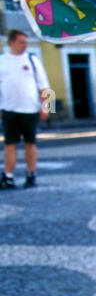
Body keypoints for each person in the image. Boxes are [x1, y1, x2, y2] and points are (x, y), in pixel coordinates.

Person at [0, 29, 53, 189]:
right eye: (21, 42)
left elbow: (45, 86)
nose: (25, 45)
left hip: (30, 109)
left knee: (30, 143)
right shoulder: (2, 61)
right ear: (12, 43)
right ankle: (8, 176)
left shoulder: (32, 60)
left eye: (26, 42)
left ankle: (31, 174)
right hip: (9, 109)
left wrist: (47, 108)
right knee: (9, 144)